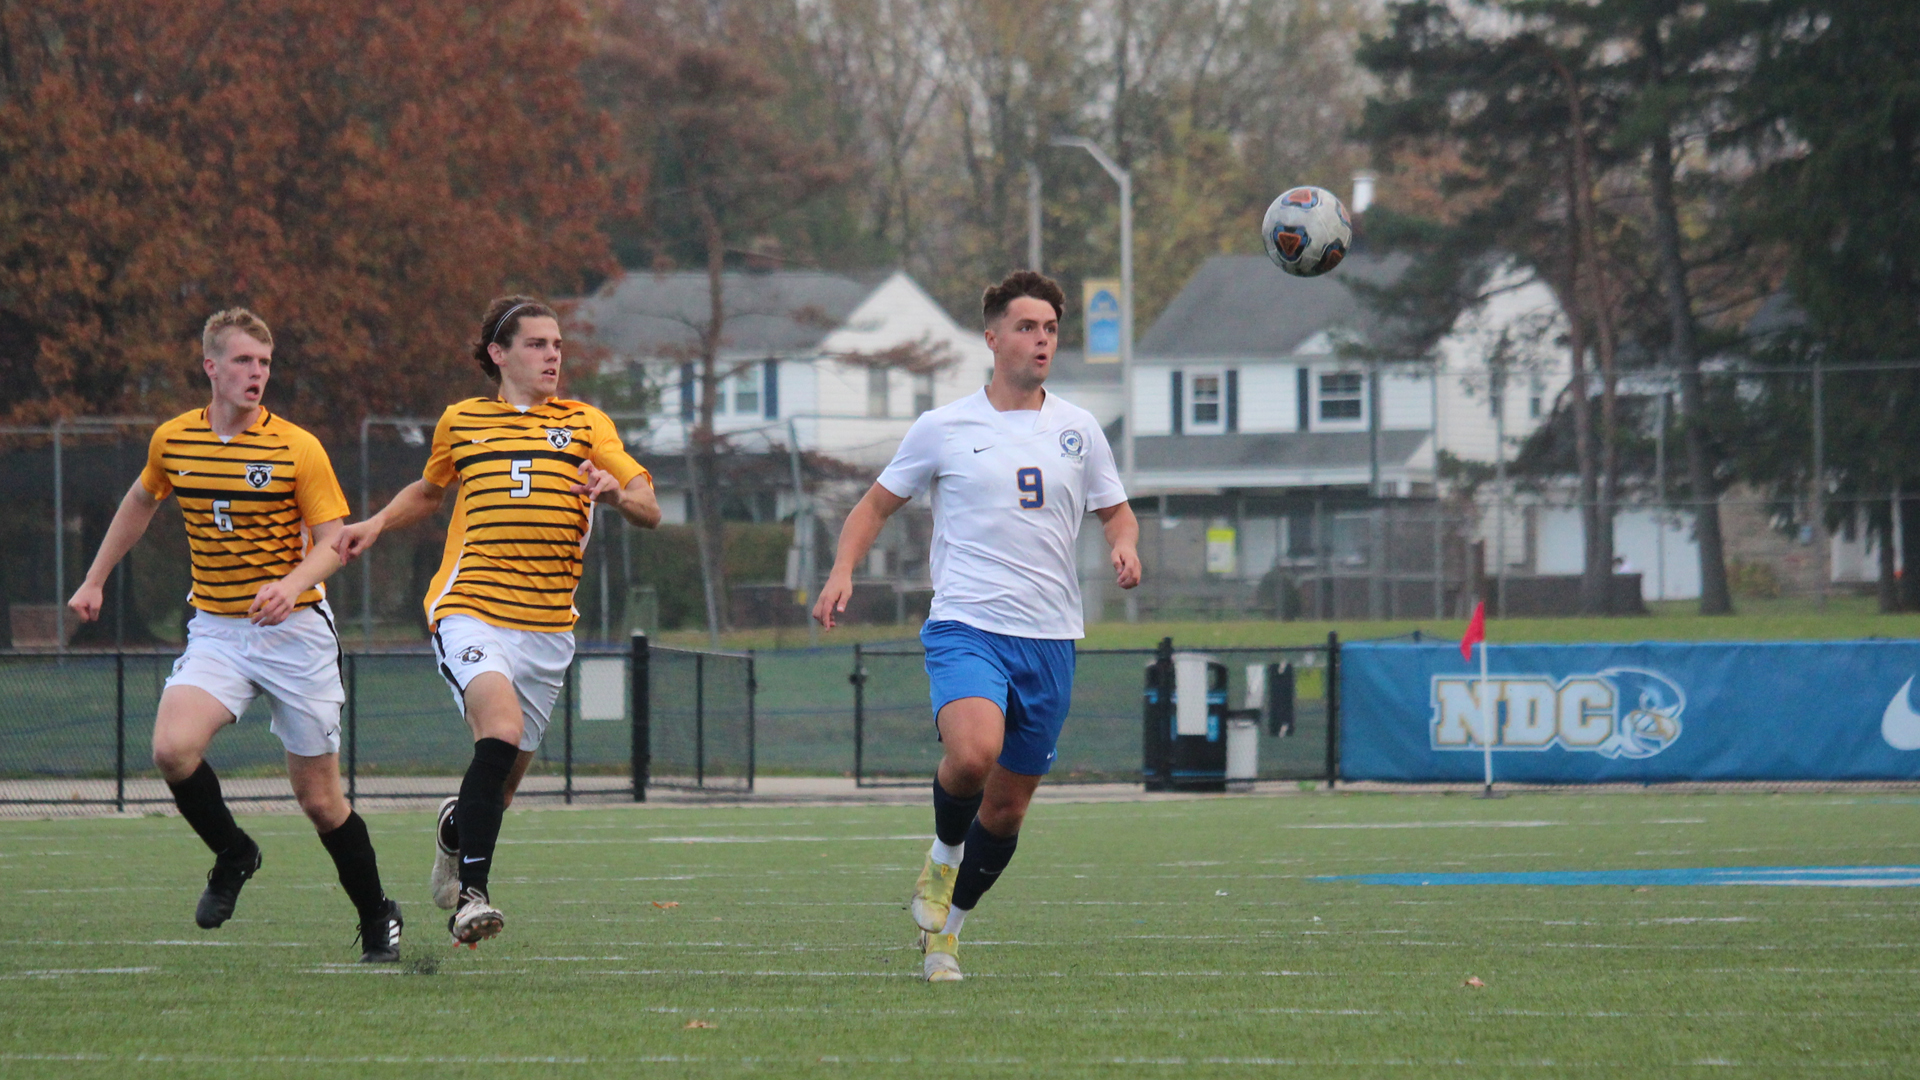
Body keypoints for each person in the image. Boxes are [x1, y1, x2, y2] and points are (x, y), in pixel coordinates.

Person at [811, 270, 1141, 982]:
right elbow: (873, 507)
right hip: (968, 625)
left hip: (1050, 639)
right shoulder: (944, 428)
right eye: (1026, 327)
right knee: (972, 754)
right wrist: (842, 571)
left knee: (1009, 808)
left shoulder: (1080, 430)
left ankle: (947, 935)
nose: (1041, 340)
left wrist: (1124, 543)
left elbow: (1116, 511)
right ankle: (942, 858)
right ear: (992, 339)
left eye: (1050, 329)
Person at [66, 308, 401, 962]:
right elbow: (140, 502)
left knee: (319, 801)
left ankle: (376, 912)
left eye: (265, 363)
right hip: (220, 629)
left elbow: (335, 542)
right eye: (244, 360)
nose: (257, 373)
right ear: (211, 367)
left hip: (296, 633)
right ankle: (234, 853)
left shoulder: (297, 447)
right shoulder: (174, 439)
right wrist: (94, 579)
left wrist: (291, 585)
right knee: (172, 749)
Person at [335, 295, 660, 948]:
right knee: (501, 731)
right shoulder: (462, 421)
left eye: (558, 344)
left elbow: (648, 506)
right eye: (537, 344)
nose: (552, 356)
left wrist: (614, 494)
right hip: (471, 610)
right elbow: (429, 491)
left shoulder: (586, 424)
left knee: (501, 789)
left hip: (547, 629)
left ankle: (455, 830)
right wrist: (376, 522)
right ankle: (471, 897)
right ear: (498, 354)